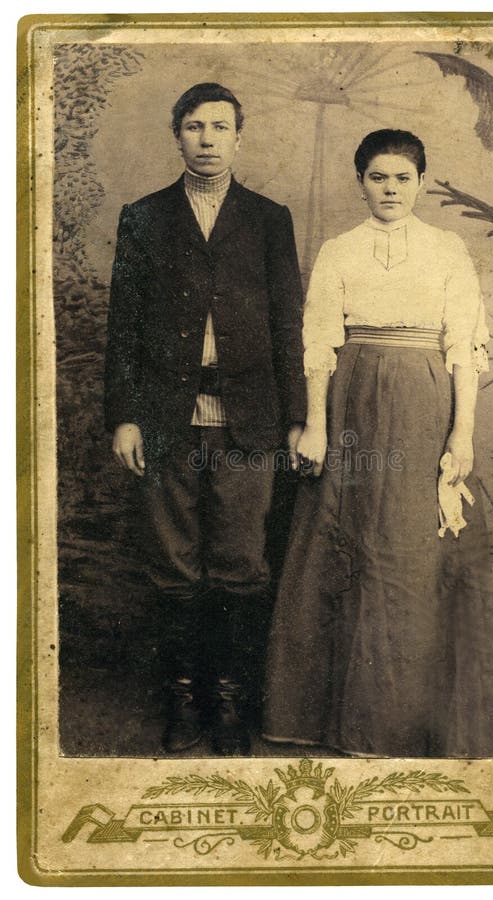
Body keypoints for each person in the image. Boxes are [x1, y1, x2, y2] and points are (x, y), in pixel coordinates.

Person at [263, 129, 493, 758]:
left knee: (409, 553)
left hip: (427, 406)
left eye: (402, 178)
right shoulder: (340, 250)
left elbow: (466, 346)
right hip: (350, 407)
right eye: (377, 177)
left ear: (421, 182)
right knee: (346, 547)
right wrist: (315, 424)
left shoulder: (447, 249)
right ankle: (330, 723)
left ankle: (402, 724)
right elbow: (317, 342)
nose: (390, 189)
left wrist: (462, 433)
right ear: (360, 182)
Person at [104, 83, 305, 755]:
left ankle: (228, 704)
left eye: (220, 126)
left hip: (251, 418)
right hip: (165, 419)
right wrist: (124, 419)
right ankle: (184, 699)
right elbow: (123, 329)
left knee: (241, 562)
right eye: (194, 126)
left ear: (239, 137)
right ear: (178, 135)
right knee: (173, 563)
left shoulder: (270, 219)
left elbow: (289, 327)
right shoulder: (145, 217)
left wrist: (298, 418)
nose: (208, 138)